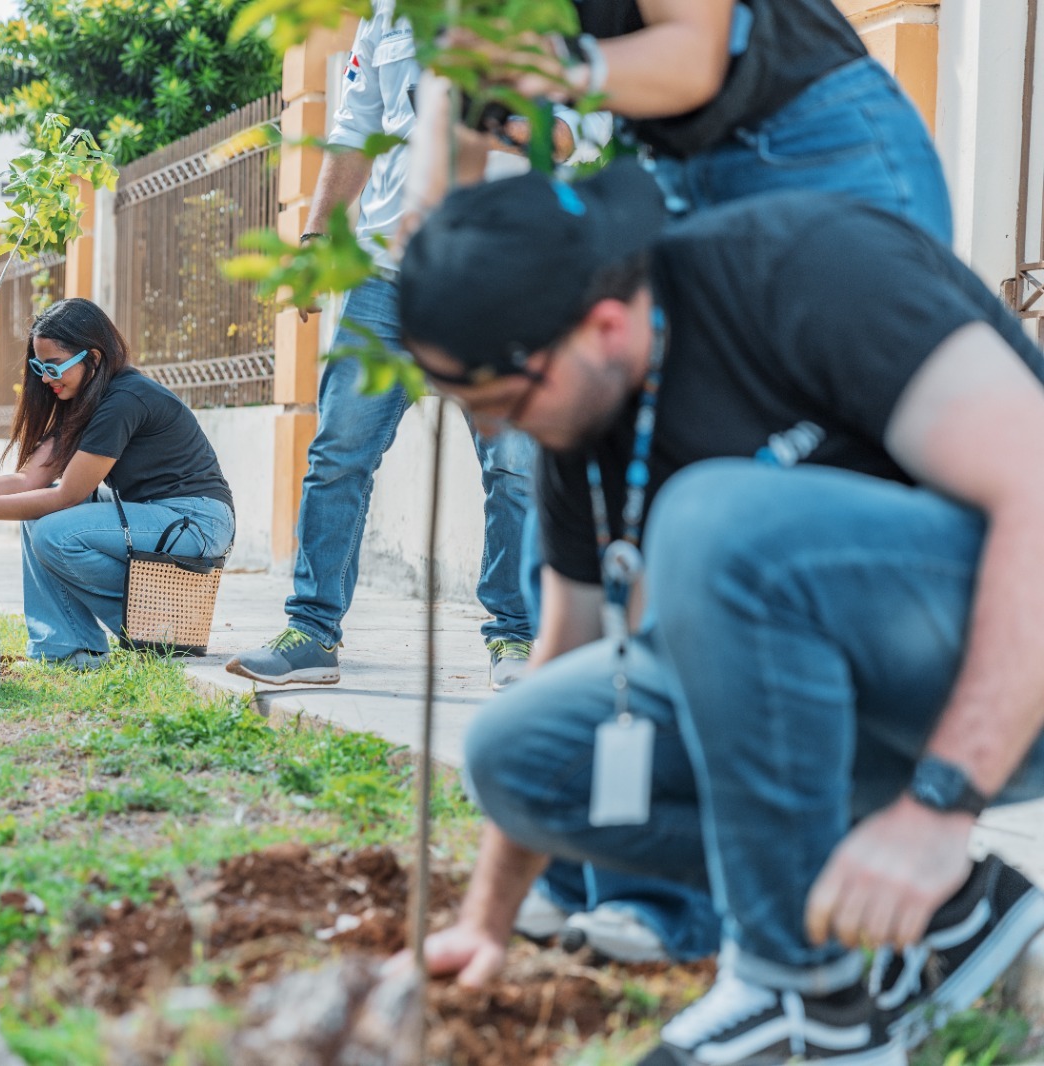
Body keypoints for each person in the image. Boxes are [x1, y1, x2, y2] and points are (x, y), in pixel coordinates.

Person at [394, 162, 1044, 1066]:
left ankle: (800, 997)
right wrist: (485, 923)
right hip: (862, 692)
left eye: (502, 402)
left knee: (713, 524)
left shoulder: (808, 267)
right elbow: (566, 649)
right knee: (522, 757)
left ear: (605, 325)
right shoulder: (583, 431)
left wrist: (937, 810)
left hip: (1014, 666)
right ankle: (951, 916)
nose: (498, 431)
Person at [225, 0, 542, 694]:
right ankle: (311, 632)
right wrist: (313, 241)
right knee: (338, 453)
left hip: (504, 273)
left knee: (515, 463)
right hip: (386, 274)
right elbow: (354, 130)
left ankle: (517, 636)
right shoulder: (389, 13)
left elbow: (579, 133)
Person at [414, 0, 951, 244]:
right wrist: (438, 247)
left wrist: (554, 66)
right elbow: (463, 120)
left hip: (814, 144)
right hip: (683, 165)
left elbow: (693, 60)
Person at [0, 298, 234, 668]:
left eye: (53, 366)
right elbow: (29, 479)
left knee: (55, 533)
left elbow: (67, 495)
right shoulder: (88, 401)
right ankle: (68, 650)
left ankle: (162, 625)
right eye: (38, 366)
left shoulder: (124, 399)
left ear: (92, 359)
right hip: (160, 518)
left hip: (196, 520)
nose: (45, 378)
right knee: (37, 517)